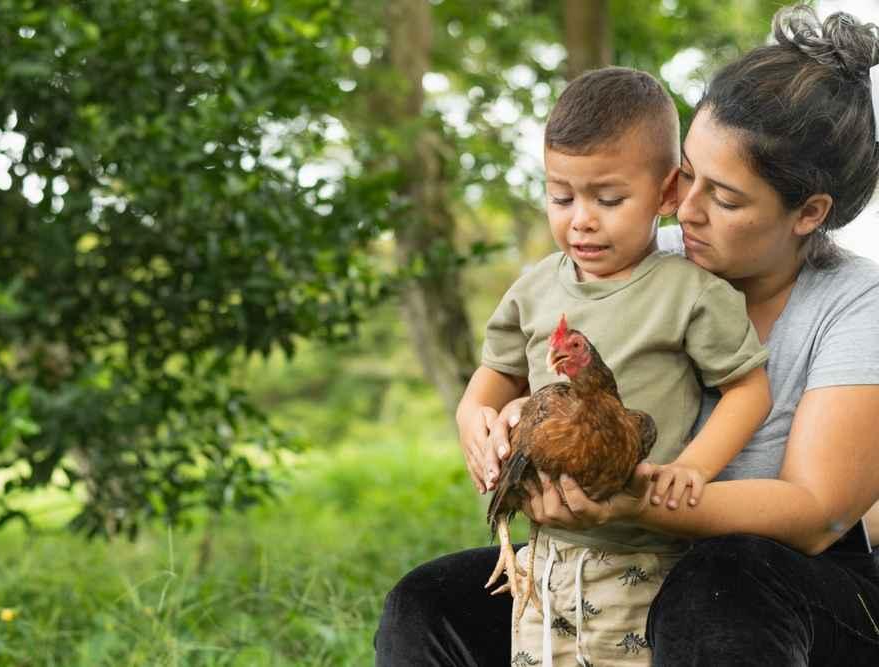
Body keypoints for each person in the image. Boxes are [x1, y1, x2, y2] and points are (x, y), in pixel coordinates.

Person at [374, 5, 879, 666]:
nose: (685, 208)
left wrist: (626, 500)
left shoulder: (856, 304)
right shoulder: (634, 260)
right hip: (626, 559)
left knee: (720, 583)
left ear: (808, 213)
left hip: (791, 588)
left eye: (725, 198)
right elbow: (521, 371)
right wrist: (498, 422)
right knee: (429, 603)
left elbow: (816, 515)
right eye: (685, 175)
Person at [463, 66, 770, 667]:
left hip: (645, 552)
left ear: (667, 193)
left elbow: (748, 389)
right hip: (544, 550)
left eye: (609, 200)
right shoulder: (533, 288)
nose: (582, 219)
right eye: (561, 197)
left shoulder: (691, 293)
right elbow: (496, 372)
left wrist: (692, 468)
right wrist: (473, 415)